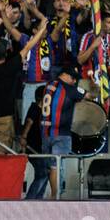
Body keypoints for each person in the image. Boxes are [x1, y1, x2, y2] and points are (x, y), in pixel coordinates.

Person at [30, 62, 86, 200]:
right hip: (60, 134)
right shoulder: (69, 88)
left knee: (49, 167)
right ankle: (55, 197)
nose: (74, 81)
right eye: (73, 77)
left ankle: (42, 196)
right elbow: (87, 96)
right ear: (65, 75)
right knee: (56, 166)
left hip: (45, 133)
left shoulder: (48, 86)